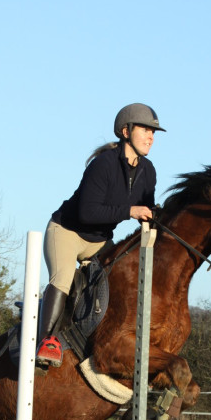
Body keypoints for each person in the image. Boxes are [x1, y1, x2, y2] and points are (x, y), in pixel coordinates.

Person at [36, 103, 166, 367]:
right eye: (146, 129)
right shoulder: (103, 164)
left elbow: (146, 212)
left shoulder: (148, 171)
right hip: (67, 232)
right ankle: (45, 342)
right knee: (62, 278)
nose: (151, 136)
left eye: (154, 132)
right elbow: (87, 213)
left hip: (98, 242)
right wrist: (130, 211)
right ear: (126, 131)